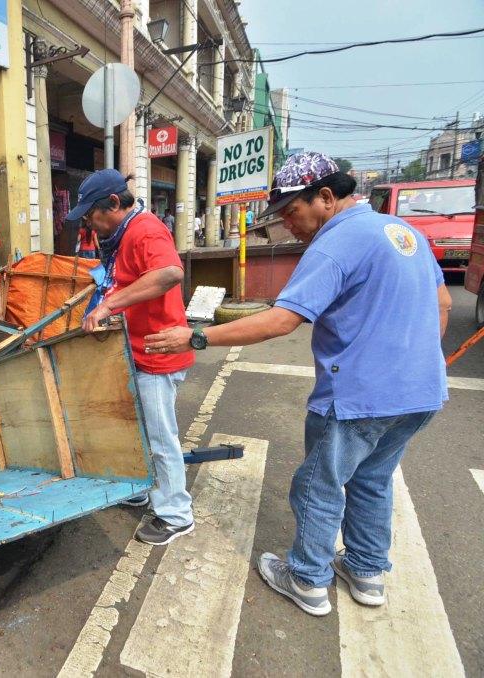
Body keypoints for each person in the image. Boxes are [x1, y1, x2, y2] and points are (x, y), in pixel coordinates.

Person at [144, 152, 449, 616]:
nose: (290, 227)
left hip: (356, 397)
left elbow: (281, 320)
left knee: (319, 484)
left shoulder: (335, 243)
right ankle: (367, 572)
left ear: (326, 197)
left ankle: (306, 578)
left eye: (292, 213)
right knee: (372, 479)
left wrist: (197, 336)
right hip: (420, 393)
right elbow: (442, 303)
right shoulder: (404, 233)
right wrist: (414, 363)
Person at [73, 169, 196, 546]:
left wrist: (108, 306)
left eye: (92, 216)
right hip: (138, 350)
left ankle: (176, 514)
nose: (92, 226)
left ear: (113, 204)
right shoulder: (123, 235)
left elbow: (170, 272)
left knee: (161, 439)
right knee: (140, 431)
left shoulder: (145, 229)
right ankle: (143, 489)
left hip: (157, 353)